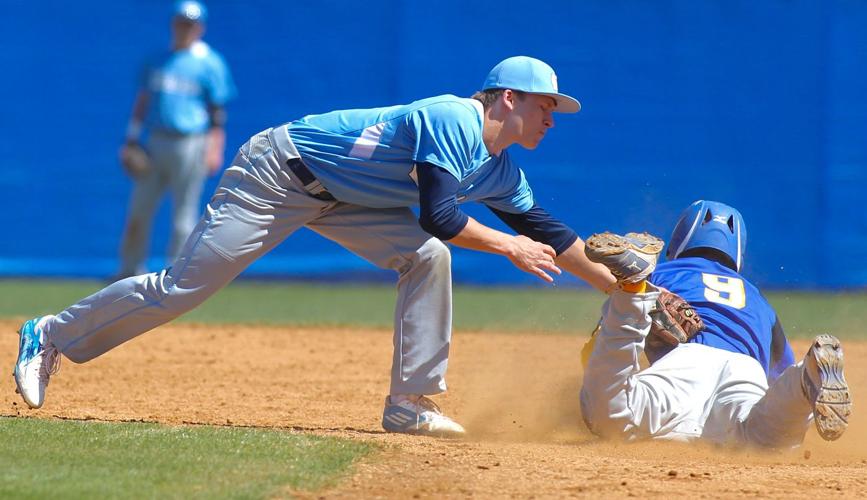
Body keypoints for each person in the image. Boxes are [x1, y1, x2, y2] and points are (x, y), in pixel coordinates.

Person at [14, 56, 617, 437]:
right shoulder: (453, 119)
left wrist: (624, 290)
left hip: (348, 199)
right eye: (546, 105)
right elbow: (438, 215)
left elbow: (554, 235)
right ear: (508, 97)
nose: (552, 119)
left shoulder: (501, 171)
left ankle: (410, 403)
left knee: (427, 257)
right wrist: (509, 246)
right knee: (184, 288)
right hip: (277, 174)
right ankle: (51, 334)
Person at [579, 201, 852, 447]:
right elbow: (776, 377)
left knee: (611, 419)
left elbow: (596, 353)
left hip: (685, 363)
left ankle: (632, 289)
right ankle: (804, 379)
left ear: (679, 242)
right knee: (763, 437)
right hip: (745, 371)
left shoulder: (661, 274)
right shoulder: (759, 300)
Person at [117, 0, 236, 279]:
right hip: (155, 141)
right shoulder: (157, 59)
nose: (185, 29)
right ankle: (128, 272)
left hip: (191, 142)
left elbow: (217, 113)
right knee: (139, 211)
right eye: (182, 23)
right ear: (173, 24)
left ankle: (176, 278)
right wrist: (131, 138)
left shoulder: (210, 63)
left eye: (191, 24)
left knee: (184, 216)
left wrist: (215, 149)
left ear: (200, 28)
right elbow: (143, 101)